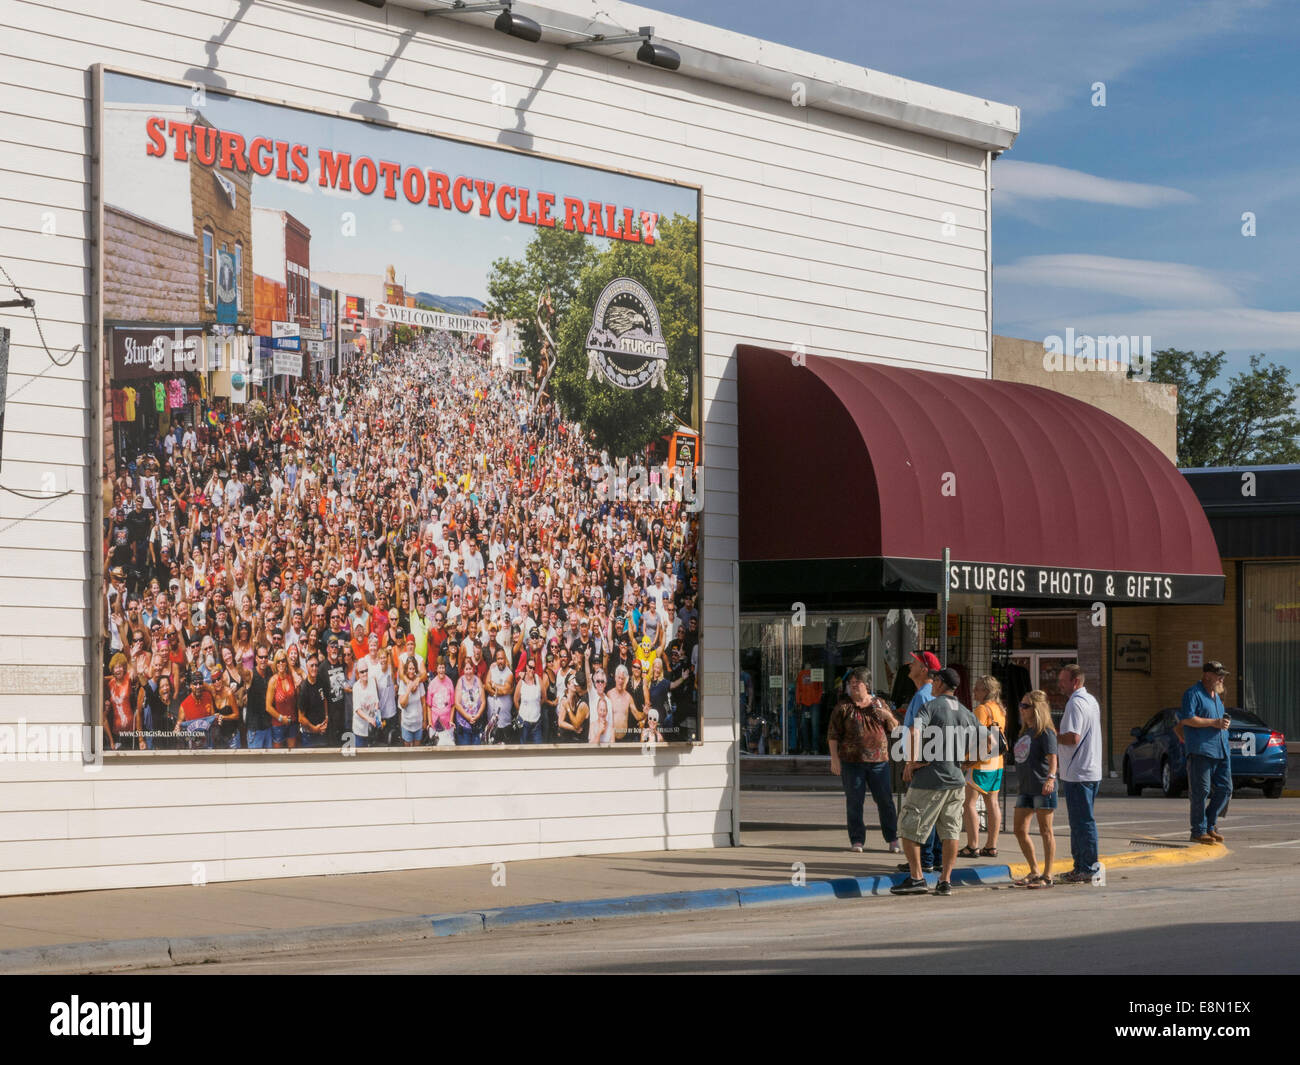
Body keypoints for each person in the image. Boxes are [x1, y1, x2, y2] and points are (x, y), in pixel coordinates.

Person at [890, 667, 976, 897]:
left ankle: (917, 877)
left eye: (934, 680)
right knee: (950, 832)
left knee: (908, 828)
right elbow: (987, 741)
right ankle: (945, 880)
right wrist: (969, 763)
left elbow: (914, 731)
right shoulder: (966, 711)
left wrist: (911, 761)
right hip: (956, 781)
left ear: (938, 683)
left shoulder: (930, 706)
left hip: (929, 779)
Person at [827, 666, 900, 853]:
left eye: (857, 682)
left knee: (885, 801)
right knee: (854, 802)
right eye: (851, 683)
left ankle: (892, 838)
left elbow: (895, 728)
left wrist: (888, 716)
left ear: (866, 684)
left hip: (879, 762)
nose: (853, 686)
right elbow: (833, 734)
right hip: (852, 762)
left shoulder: (879, 703)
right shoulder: (843, 706)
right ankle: (857, 840)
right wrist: (834, 759)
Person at [896, 650, 942, 875]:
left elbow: (921, 732)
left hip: (921, 762)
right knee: (932, 811)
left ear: (924, 669)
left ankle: (925, 859)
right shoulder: (925, 694)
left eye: (914, 662)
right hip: (928, 760)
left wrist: (912, 762)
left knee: (921, 812)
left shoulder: (924, 696)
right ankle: (934, 858)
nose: (909, 665)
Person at [1056, 663, 1102, 884]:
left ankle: (1088, 867)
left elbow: (1073, 737)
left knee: (1083, 822)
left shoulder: (1076, 703)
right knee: (1081, 822)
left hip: (1079, 773)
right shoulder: (1090, 700)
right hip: (1088, 770)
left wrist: (1052, 734)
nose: (1059, 685)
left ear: (1075, 681)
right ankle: (1080, 866)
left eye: (1063, 681)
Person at [1176, 661, 1232, 844]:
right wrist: (1214, 723)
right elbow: (1187, 719)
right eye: (1219, 675)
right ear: (1207, 675)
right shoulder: (1193, 694)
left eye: (1223, 675)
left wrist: (1223, 724)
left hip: (1221, 749)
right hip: (1201, 750)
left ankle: (1209, 824)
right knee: (1201, 791)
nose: (1222, 678)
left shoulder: (1217, 696)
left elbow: (1218, 721)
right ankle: (1198, 831)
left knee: (1225, 789)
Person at [1011, 690, 1058, 887]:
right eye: (1021, 705)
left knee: (1045, 830)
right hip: (1026, 788)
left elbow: (1053, 758)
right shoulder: (1025, 732)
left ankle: (1047, 875)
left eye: (1026, 706)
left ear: (1037, 709)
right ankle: (1034, 870)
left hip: (1042, 787)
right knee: (1019, 829)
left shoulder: (1045, 732)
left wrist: (1051, 778)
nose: (1021, 709)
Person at [959, 675, 1006, 858]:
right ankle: (991, 845)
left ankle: (972, 845)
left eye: (977, 688)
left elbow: (976, 738)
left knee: (968, 803)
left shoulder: (981, 710)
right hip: (997, 762)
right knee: (992, 803)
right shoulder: (1000, 709)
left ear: (986, 691)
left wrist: (967, 760)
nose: (973, 691)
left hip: (980, 763)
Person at [397, 656, 427, 747]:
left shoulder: (419, 683)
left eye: (413, 668)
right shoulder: (403, 683)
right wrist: (408, 690)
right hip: (407, 724)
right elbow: (402, 704)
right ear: (406, 669)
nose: (411, 671)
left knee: (417, 748)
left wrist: (424, 720)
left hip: (418, 723)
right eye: (410, 668)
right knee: (407, 750)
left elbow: (423, 703)